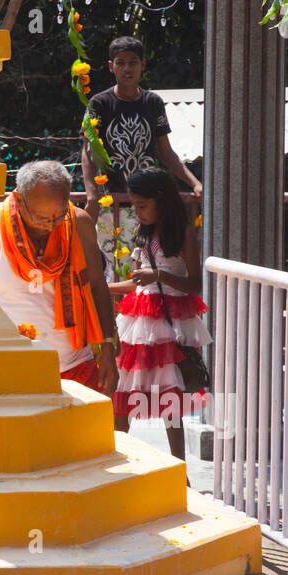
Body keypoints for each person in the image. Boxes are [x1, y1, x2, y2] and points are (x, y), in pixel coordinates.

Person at [0, 159, 118, 395]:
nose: (50, 226)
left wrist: (108, 347)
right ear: (19, 200)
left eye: (58, 216)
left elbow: (98, 287)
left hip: (75, 365)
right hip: (7, 368)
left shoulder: (78, 223)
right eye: (40, 218)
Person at [108, 167, 211, 460]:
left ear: (161, 201)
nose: (137, 212)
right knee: (123, 389)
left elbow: (195, 284)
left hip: (168, 321)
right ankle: (118, 458)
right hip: (137, 320)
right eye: (134, 206)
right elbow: (136, 282)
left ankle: (179, 465)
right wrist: (104, 287)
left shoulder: (184, 234)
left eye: (142, 205)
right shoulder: (144, 235)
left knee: (170, 393)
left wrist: (159, 277)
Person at [81, 35, 203, 222]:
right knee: (112, 252)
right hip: (111, 204)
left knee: (151, 252)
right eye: (120, 63)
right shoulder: (99, 103)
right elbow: (88, 151)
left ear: (143, 64)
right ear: (111, 66)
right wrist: (91, 194)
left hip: (149, 203)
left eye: (133, 62)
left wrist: (195, 183)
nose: (127, 68)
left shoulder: (153, 103)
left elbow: (167, 153)